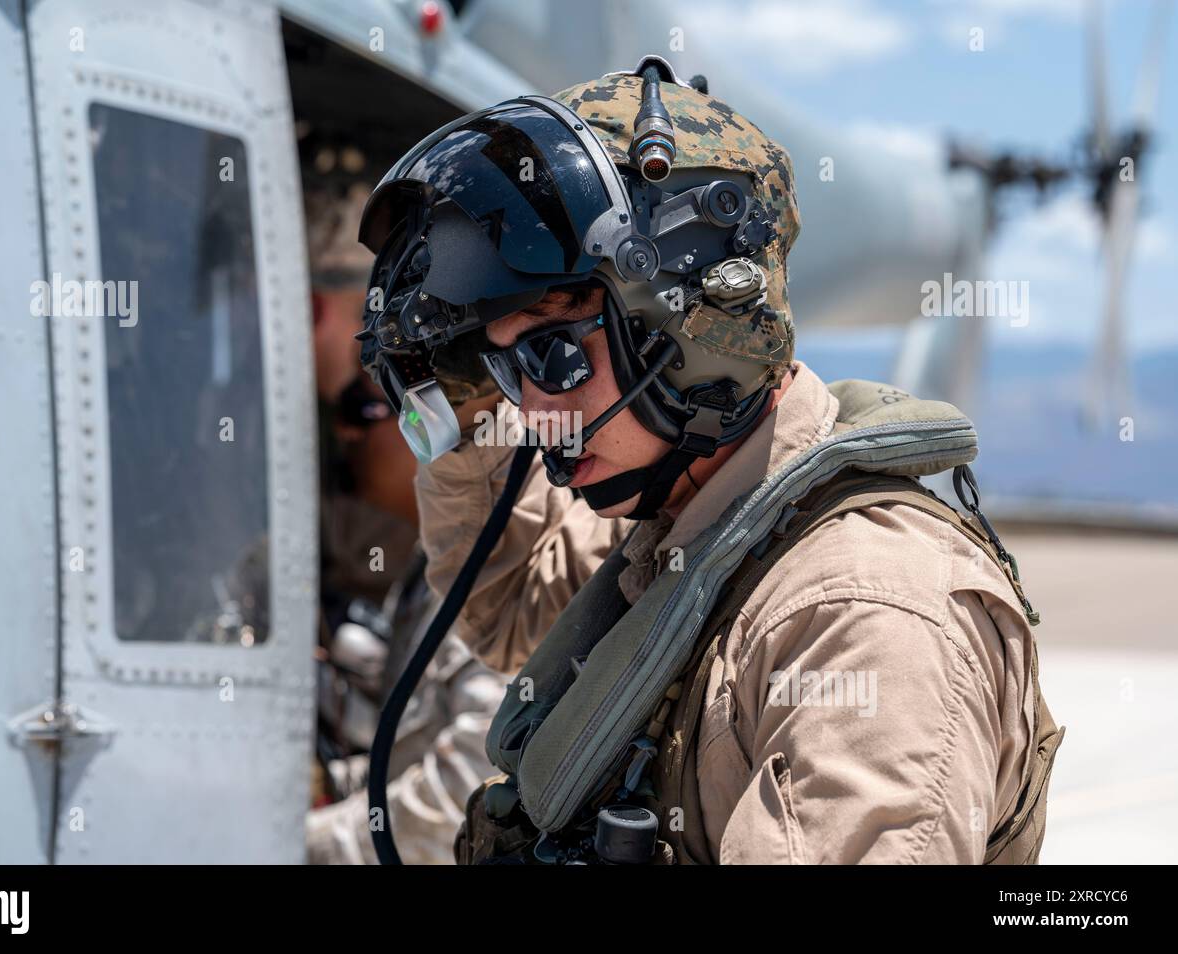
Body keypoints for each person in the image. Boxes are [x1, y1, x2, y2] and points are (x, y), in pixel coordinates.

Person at [356, 58, 1064, 864]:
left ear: (690, 332)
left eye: (551, 358)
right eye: (505, 371)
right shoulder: (693, 534)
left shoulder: (860, 621)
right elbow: (510, 598)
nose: (531, 412)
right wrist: (460, 393)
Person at [302, 187, 505, 864]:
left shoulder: (509, 554)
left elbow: (471, 785)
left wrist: (301, 845)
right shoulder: (435, 561)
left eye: (369, 407)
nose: (345, 436)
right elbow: (409, 754)